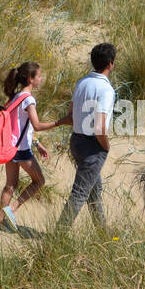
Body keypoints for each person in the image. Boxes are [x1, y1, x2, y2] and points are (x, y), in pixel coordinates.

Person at [0, 62, 61, 232]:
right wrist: (60, 122)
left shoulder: (16, 97)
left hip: (10, 146)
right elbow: (36, 125)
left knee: (10, 186)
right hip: (21, 150)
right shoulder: (29, 99)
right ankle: (12, 210)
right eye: (39, 76)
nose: (41, 78)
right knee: (39, 181)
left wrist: (37, 143)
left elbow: (21, 126)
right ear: (31, 79)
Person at [56, 43, 117, 229]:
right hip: (93, 145)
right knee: (80, 193)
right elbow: (100, 128)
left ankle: (102, 232)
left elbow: (71, 116)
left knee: (93, 190)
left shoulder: (81, 82)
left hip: (76, 140)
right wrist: (106, 147)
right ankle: (57, 237)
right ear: (110, 64)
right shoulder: (106, 90)